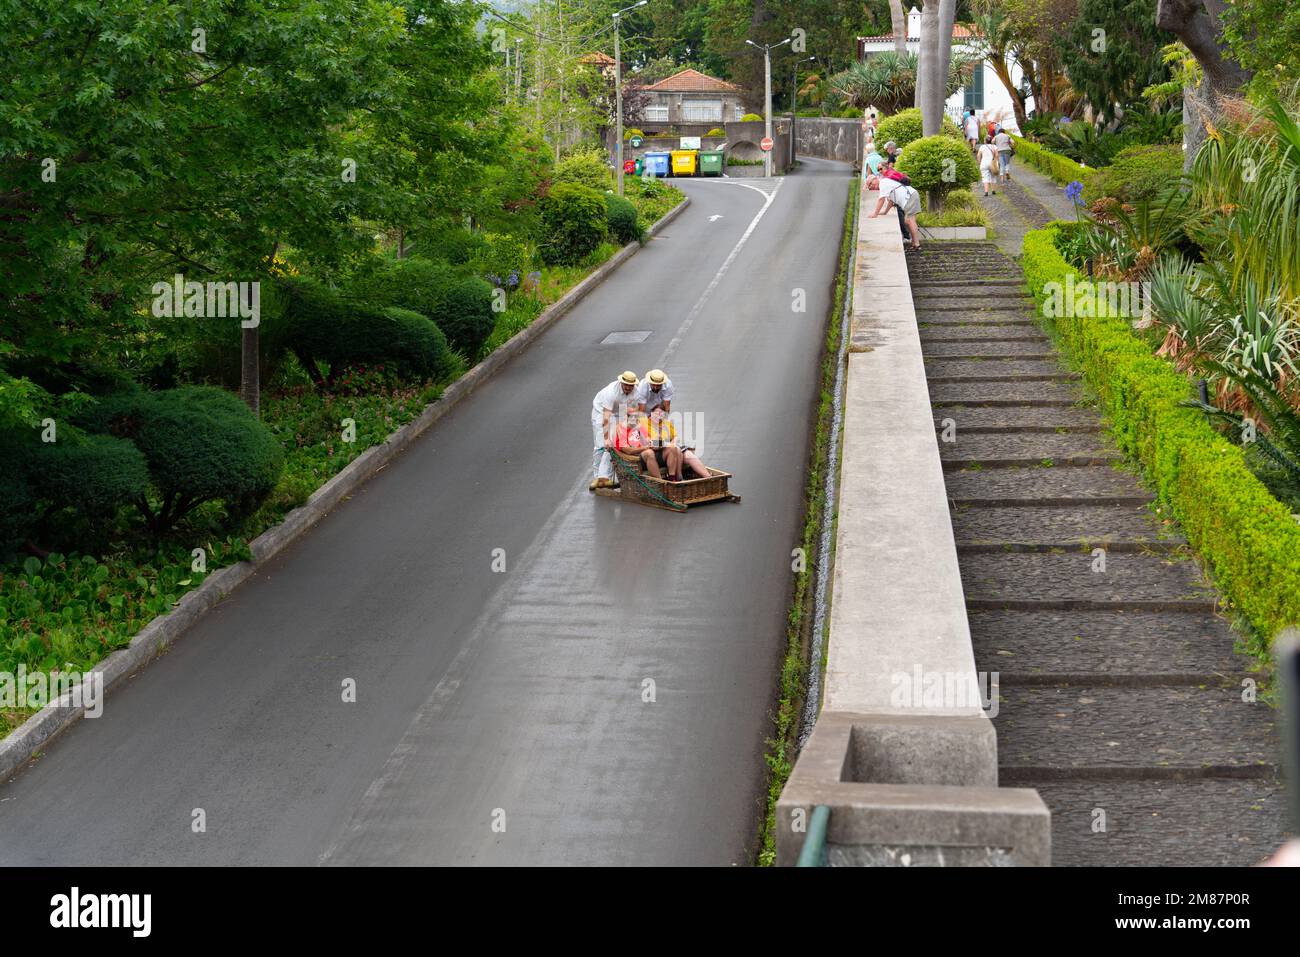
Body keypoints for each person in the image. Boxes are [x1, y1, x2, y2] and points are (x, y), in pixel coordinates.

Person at [590, 371, 638, 490]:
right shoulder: (611, 392)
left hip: (620, 410)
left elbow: (636, 410)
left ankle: (608, 477)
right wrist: (606, 439)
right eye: (625, 385)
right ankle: (597, 478)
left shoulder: (636, 392)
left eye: (630, 386)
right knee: (602, 445)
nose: (628, 388)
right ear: (621, 382)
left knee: (617, 444)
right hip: (601, 411)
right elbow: (606, 418)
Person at [641, 407, 710, 482]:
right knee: (675, 448)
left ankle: (709, 477)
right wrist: (667, 444)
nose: (659, 416)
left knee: (689, 455)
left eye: (661, 414)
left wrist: (671, 443)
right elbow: (651, 443)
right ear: (651, 413)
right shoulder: (644, 423)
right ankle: (678, 477)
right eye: (656, 413)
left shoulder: (666, 423)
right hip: (658, 452)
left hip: (669, 448)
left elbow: (675, 437)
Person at [867, 174, 922, 251]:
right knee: (908, 221)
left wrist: (875, 213)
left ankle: (916, 245)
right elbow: (891, 200)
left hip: (910, 197)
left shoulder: (883, 183)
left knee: (910, 220)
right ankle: (914, 243)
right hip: (910, 197)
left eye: (870, 184)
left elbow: (881, 200)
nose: (871, 186)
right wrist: (885, 212)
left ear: (875, 179)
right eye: (869, 186)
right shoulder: (885, 183)